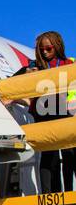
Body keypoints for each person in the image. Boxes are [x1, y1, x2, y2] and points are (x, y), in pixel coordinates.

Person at [9, 31, 76, 192]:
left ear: (57, 47)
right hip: (44, 116)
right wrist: (25, 78)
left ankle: (68, 194)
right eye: (41, 49)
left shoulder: (69, 64)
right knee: (48, 158)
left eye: (48, 49)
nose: (45, 52)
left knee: (70, 154)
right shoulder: (33, 67)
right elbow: (9, 85)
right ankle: (49, 196)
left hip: (63, 114)